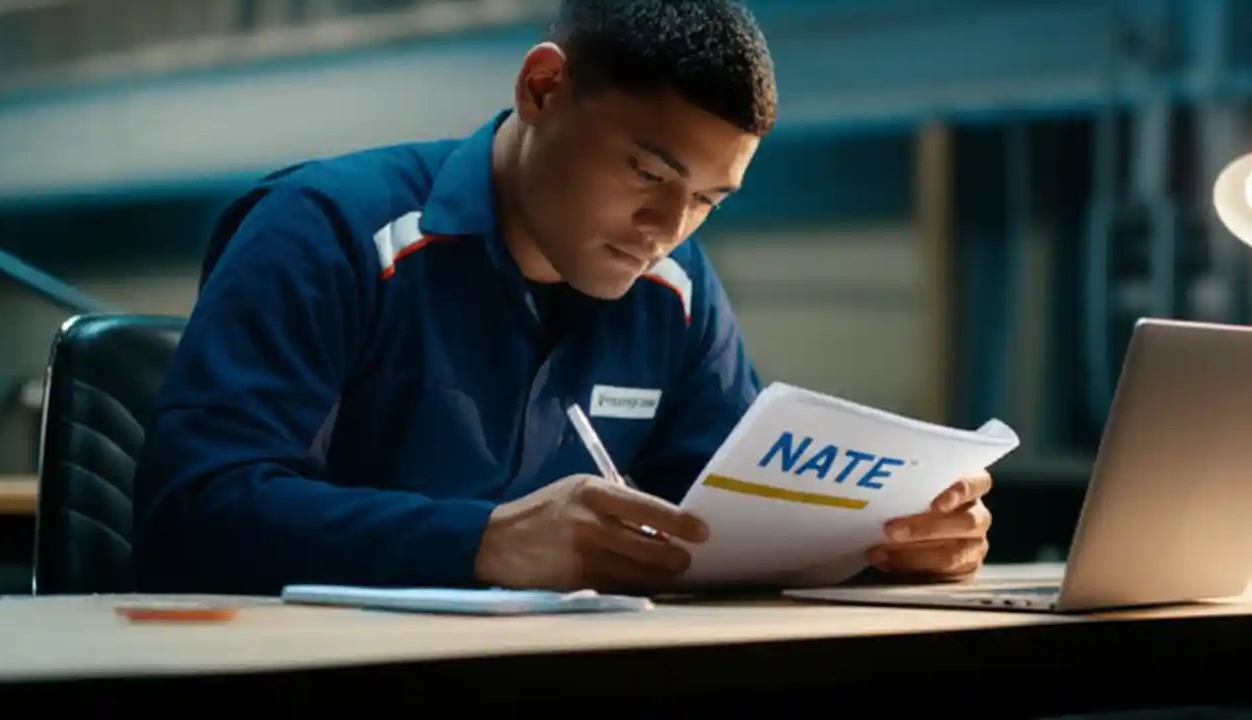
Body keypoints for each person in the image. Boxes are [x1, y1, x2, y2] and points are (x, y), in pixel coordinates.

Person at [132, 0, 993, 596]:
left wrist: (885, 543)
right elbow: (195, 513)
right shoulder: (325, 231)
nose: (667, 227)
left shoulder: (674, 291)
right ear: (542, 89)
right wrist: (485, 542)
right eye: (649, 173)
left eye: (706, 201)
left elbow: (732, 515)